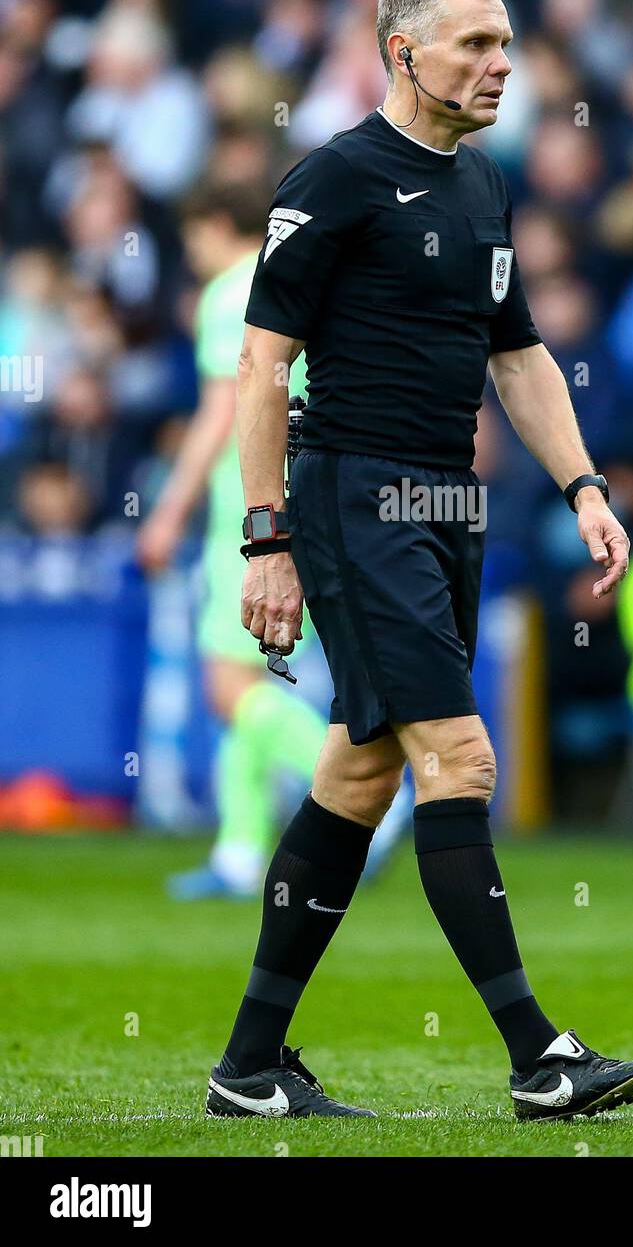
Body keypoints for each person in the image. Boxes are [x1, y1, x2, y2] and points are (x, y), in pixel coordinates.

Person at [206, 0, 633, 1122]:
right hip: (352, 499)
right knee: (457, 760)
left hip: (443, 506)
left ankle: (249, 1067)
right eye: (473, 44)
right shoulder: (337, 178)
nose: (500, 63)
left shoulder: (483, 189)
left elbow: (515, 359)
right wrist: (269, 538)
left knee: (356, 776)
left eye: (505, 43)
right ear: (403, 54)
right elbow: (261, 366)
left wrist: (582, 485)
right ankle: (538, 1056)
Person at [137, 185, 414, 898]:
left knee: (230, 688)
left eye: (193, 235)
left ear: (212, 224)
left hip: (254, 518)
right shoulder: (308, 278)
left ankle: (373, 803)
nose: (189, 252)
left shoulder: (229, 294)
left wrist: (169, 509)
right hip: (324, 503)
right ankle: (239, 850)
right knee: (254, 685)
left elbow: (220, 412)